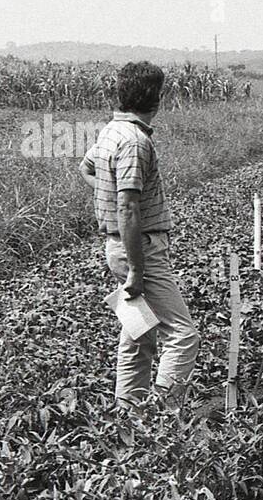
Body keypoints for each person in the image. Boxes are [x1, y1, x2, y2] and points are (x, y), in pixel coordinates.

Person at [79, 61, 200, 414]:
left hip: (120, 246)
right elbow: (129, 208)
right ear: (155, 98)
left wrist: (112, 194)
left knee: (139, 332)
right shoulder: (133, 141)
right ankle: (163, 417)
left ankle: (129, 411)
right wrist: (136, 268)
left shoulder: (111, 132)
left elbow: (87, 168)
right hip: (139, 249)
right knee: (183, 336)